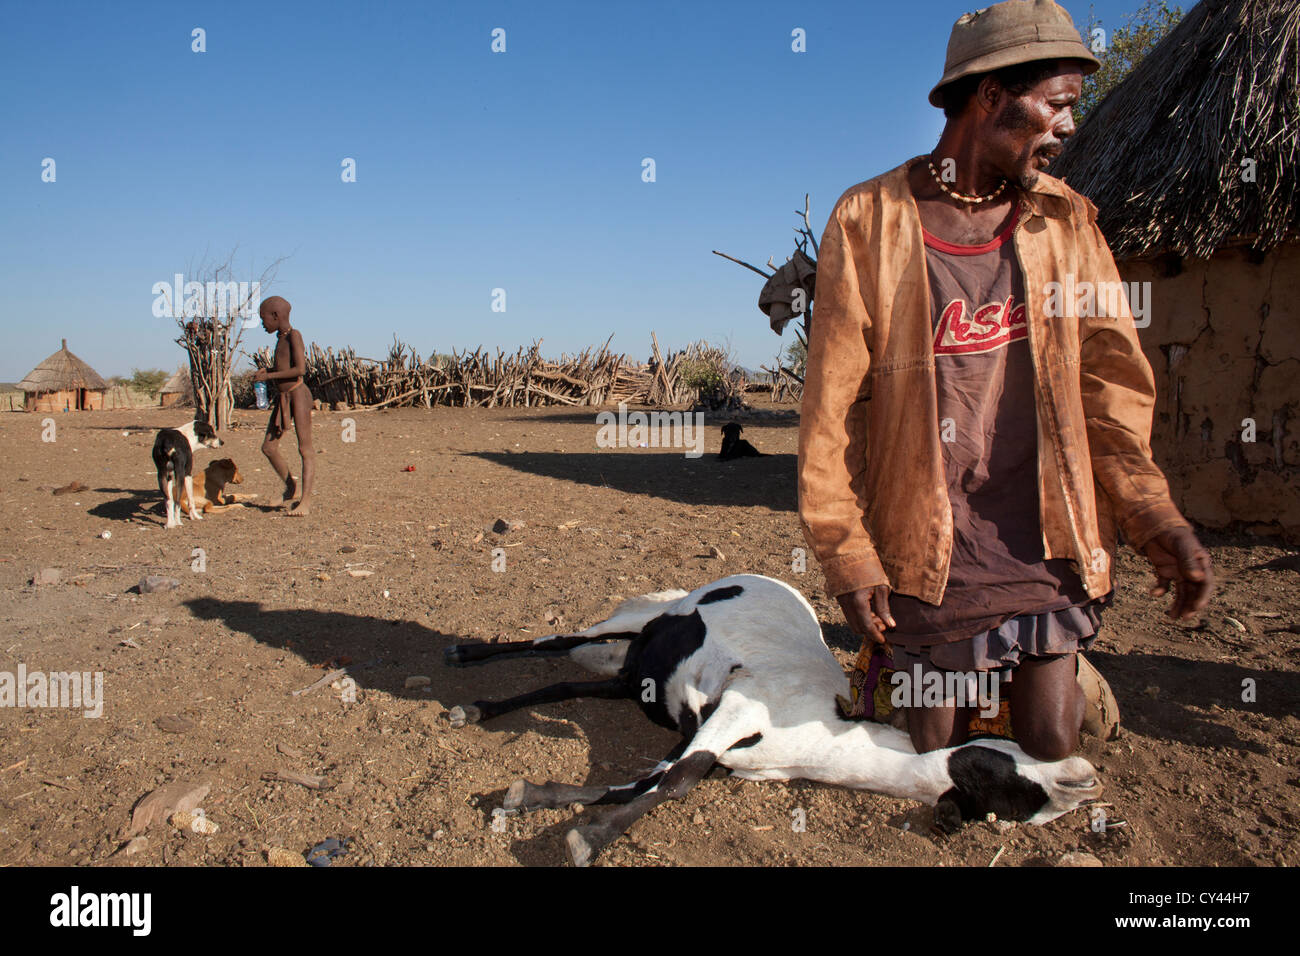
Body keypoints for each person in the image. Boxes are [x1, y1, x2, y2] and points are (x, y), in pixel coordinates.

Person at [797, 0, 1213, 762]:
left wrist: (1154, 516)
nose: (1069, 126)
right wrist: (847, 553)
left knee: (1052, 746)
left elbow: (1112, 390)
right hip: (930, 548)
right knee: (935, 757)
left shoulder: (1067, 223)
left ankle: (1058, 699)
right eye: (1056, 104)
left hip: (1046, 534)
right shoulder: (870, 220)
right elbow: (832, 409)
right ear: (991, 97)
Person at [253, 295, 315, 516]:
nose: (262, 324)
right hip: (284, 398)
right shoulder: (281, 338)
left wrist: (270, 377)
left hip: (298, 394)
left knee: (305, 449)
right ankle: (291, 488)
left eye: (263, 319)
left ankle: (305, 502)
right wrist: (268, 371)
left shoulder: (294, 336)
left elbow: (300, 370)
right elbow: (284, 368)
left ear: (276, 315)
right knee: (268, 448)